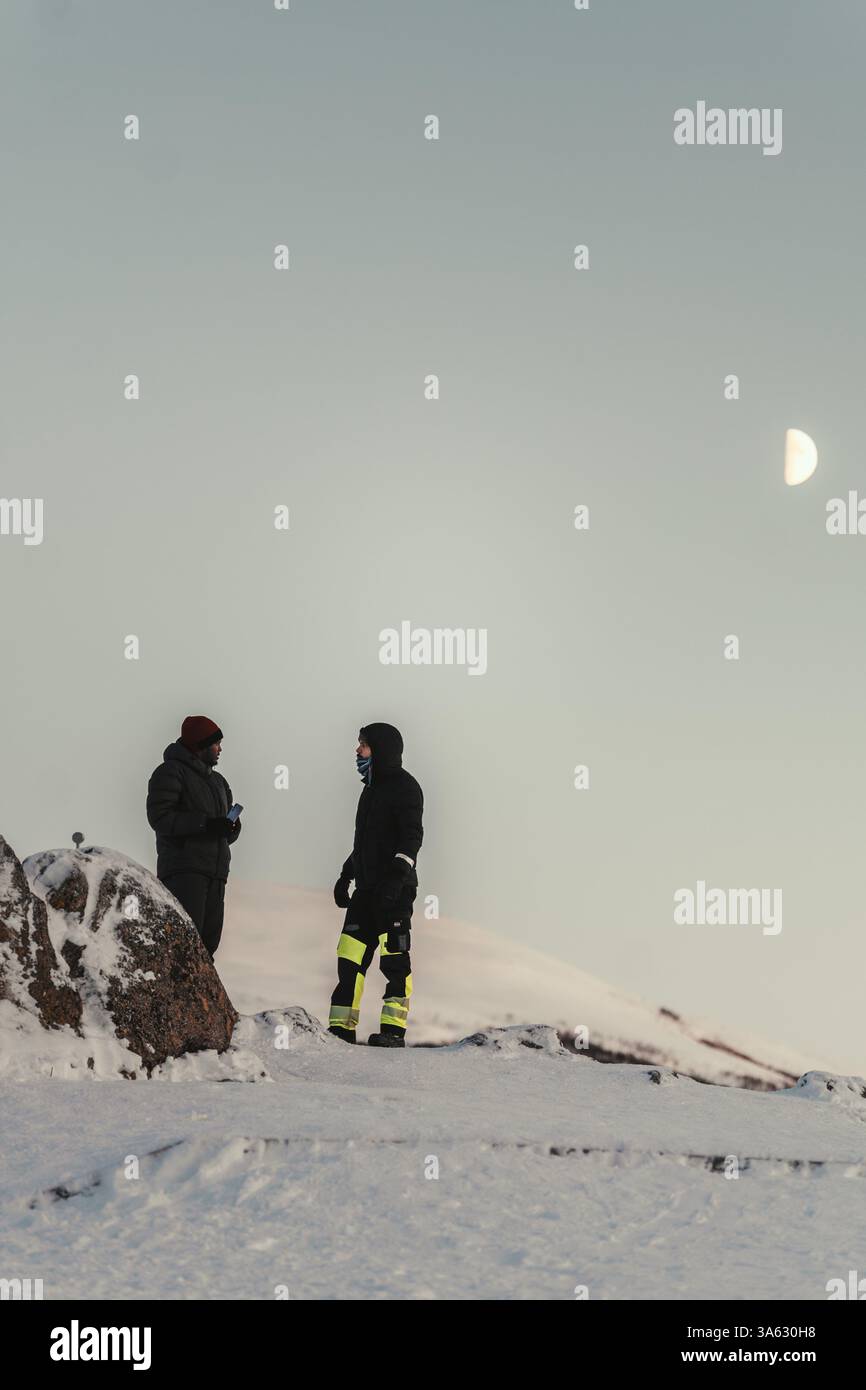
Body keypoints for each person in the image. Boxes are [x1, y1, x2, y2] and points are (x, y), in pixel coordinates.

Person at [329, 723, 423, 1047]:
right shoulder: (368, 791)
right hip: (365, 893)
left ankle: (393, 1032)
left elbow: (411, 839)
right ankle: (341, 1030)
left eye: (363, 746)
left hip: (394, 894)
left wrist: (396, 880)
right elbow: (365, 844)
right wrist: (346, 875)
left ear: (380, 750)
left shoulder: (406, 789)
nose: (357, 751)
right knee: (349, 960)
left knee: (395, 960)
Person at [146, 715, 241, 959]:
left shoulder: (219, 782)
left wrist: (230, 828)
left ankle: (199, 993)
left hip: (216, 873)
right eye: (215, 743)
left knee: (208, 945)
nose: (220, 749)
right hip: (184, 871)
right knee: (183, 942)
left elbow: (222, 832)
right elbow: (160, 817)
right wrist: (207, 825)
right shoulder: (170, 772)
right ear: (200, 744)